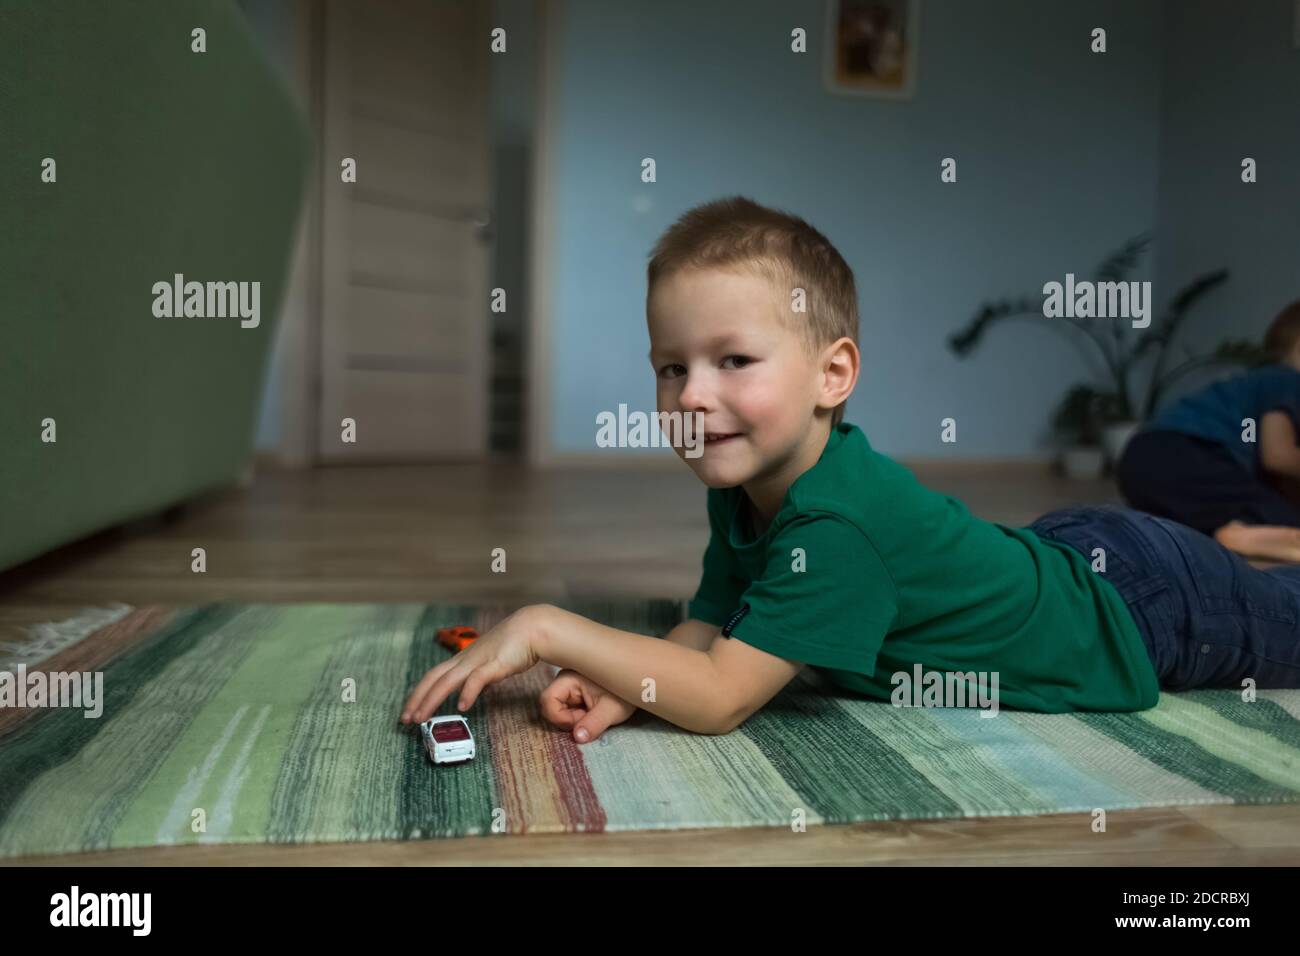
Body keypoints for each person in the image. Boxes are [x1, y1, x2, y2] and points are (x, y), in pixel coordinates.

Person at [398, 197, 1300, 744]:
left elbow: (717, 698)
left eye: (732, 362)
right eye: (672, 367)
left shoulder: (837, 528)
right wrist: (623, 690)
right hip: (1069, 552)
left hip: (1144, 609)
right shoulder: (748, 489)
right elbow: (707, 629)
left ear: (834, 374)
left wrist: (552, 628)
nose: (691, 397)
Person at [1117, 300, 1300, 562]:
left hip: (1142, 461)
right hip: (1185, 453)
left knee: (1218, 512)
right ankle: (1244, 537)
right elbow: (1278, 455)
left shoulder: (1257, 381)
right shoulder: (1288, 381)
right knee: (1283, 516)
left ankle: (1229, 531)